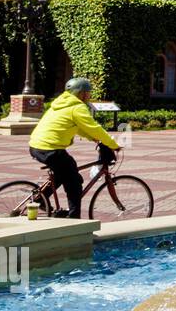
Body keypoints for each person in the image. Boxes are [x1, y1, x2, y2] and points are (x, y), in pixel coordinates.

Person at [28, 77, 121, 218]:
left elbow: (78, 127)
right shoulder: (77, 107)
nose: (89, 95)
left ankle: (41, 198)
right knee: (74, 181)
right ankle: (74, 217)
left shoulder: (61, 103)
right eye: (88, 92)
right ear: (81, 93)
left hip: (36, 146)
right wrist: (113, 145)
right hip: (50, 149)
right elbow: (94, 127)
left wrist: (93, 138)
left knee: (63, 172)